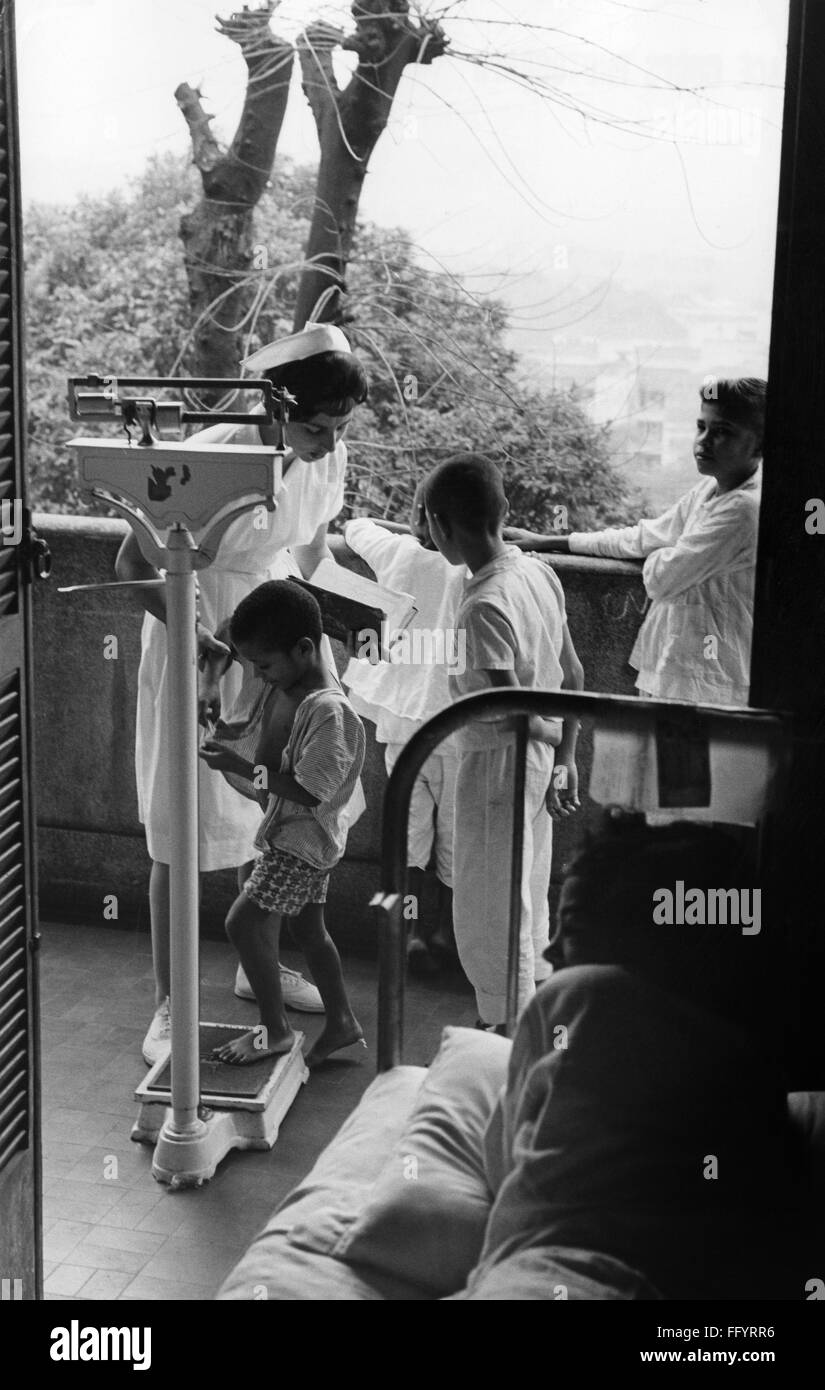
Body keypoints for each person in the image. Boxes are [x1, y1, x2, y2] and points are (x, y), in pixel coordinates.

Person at [114, 323, 369, 1064]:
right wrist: (193, 632)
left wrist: (347, 629)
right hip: (197, 632)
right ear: (275, 407)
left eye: (338, 428)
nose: (325, 441)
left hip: (277, 644)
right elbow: (132, 557)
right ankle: (170, 1004)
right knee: (181, 825)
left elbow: (313, 554)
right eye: (313, 426)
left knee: (273, 812)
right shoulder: (215, 453)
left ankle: (256, 962)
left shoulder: (328, 459)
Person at [456, 820, 810, 1301]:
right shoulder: (756, 1063)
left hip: (553, 1272)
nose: (550, 948)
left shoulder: (576, 999)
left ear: (654, 943)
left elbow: (503, 1165)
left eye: (574, 928)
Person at [422, 454, 584, 1031]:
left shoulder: (482, 605)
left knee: (494, 900)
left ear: (439, 525)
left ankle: (509, 1026)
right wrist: (563, 756)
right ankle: (529, 1014)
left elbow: (508, 711)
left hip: (499, 763)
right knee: (527, 886)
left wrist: (544, 741)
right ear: (505, 511)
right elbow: (575, 677)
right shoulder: (538, 573)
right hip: (537, 759)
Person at [506, 377, 765, 705]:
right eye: (702, 427)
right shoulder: (710, 491)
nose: (704, 441)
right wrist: (548, 541)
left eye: (723, 432)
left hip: (710, 679)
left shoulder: (743, 509)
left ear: (759, 445)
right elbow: (642, 537)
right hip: (675, 667)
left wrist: (664, 551)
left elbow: (662, 579)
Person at [199, 581, 366, 1068]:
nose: (259, 675)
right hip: (300, 837)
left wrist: (235, 761)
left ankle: (276, 1031)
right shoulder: (289, 684)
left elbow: (309, 789)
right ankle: (342, 1022)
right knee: (310, 931)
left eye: (264, 665)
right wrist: (232, 733)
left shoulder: (330, 710)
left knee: (243, 921)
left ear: (305, 648)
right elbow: (266, 732)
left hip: (300, 841)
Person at [341, 485, 466, 977]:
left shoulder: (396, 551)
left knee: (408, 836)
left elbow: (355, 527)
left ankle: (410, 931)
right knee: (457, 835)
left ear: (421, 518)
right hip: (459, 724)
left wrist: (399, 527)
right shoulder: (476, 567)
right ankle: (448, 933)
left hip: (402, 725)